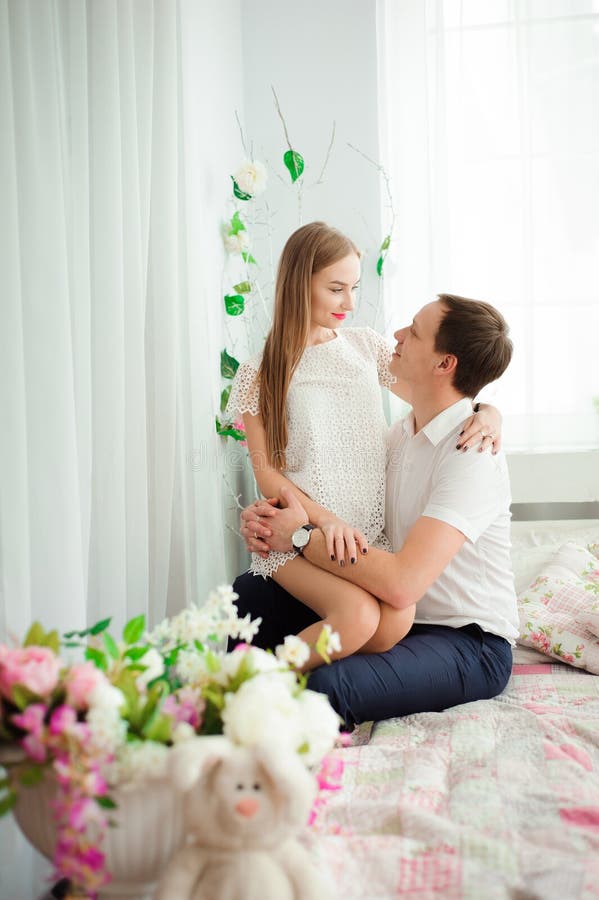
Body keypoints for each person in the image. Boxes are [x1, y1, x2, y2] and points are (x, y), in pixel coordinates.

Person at [233, 293, 518, 728]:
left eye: (414, 332)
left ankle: (248, 712)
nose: (397, 336)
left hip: (467, 640)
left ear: (445, 364)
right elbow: (332, 498)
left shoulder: (472, 455)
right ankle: (222, 709)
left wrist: (299, 536)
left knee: (327, 687)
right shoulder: (398, 438)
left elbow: (403, 583)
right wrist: (270, 518)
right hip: (397, 620)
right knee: (252, 592)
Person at [226, 223, 501, 670]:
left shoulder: (365, 348)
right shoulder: (258, 372)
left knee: (397, 619)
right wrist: (325, 522)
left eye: (353, 288)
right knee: (355, 617)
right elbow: (267, 472)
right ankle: (246, 687)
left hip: (364, 540)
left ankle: (288, 685)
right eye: (336, 289)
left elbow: (438, 397)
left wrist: (487, 411)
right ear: (299, 284)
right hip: (300, 531)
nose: (349, 304)